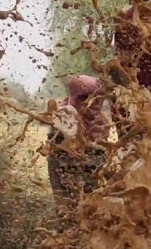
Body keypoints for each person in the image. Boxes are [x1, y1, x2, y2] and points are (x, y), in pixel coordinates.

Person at [46, 74, 110, 208]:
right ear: (73, 97)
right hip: (66, 173)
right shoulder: (61, 119)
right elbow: (54, 161)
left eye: (98, 98)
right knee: (68, 210)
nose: (92, 103)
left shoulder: (101, 124)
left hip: (92, 175)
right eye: (85, 97)